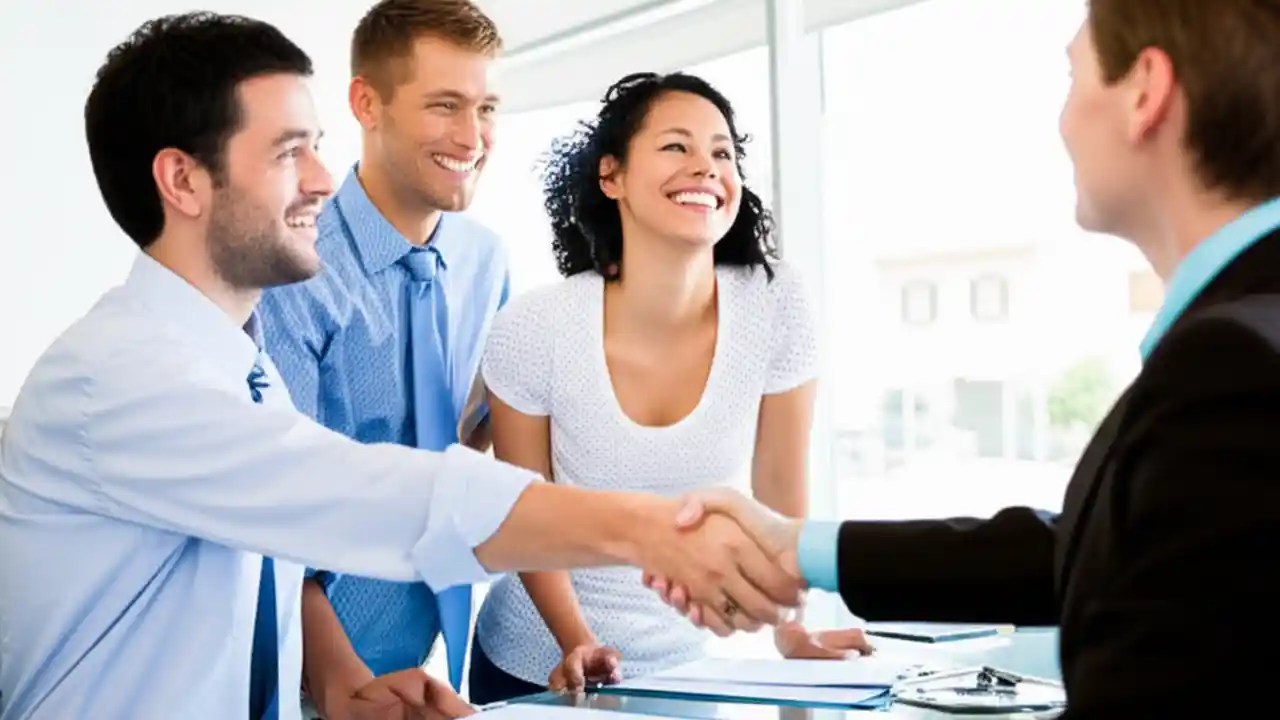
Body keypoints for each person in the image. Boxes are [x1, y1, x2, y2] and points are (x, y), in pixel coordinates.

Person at [0, 13, 802, 720]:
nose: (322, 179)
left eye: (315, 148)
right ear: (182, 180)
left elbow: (266, 564)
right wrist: (649, 530)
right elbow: (357, 494)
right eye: (289, 153)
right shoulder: (119, 379)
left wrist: (339, 689)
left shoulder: (239, 369)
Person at [652, 1, 1280, 717]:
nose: (1064, 121)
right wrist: (797, 548)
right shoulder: (1243, 336)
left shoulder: (1235, 368)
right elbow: (1087, 548)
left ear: (1145, 93)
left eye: (1073, 79)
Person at [466, 71, 872, 706]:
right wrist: (577, 640)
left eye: (722, 152)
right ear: (612, 177)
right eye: (676, 146)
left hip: (687, 669)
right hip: (532, 663)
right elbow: (525, 512)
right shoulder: (535, 324)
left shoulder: (775, 303)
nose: (706, 168)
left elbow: (779, 492)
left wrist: (792, 628)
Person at [255, 1, 508, 716]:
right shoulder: (295, 267)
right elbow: (277, 507)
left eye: (487, 106)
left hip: (422, 669)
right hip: (305, 674)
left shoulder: (486, 261)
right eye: (445, 106)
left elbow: (466, 439)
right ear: (367, 103)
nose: (473, 136)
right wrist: (339, 683)